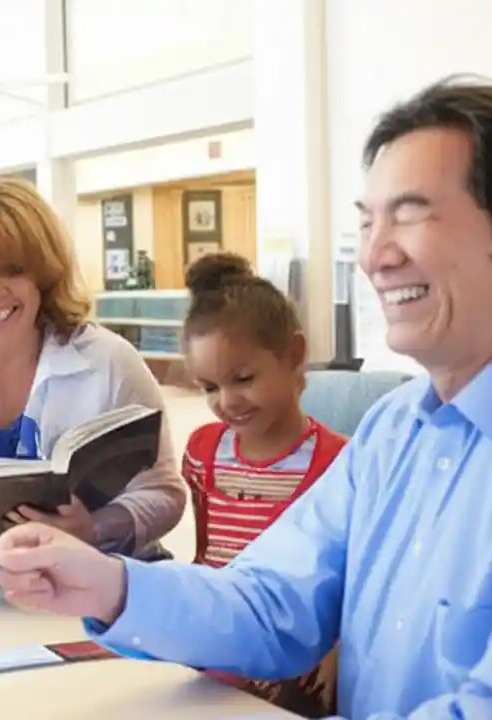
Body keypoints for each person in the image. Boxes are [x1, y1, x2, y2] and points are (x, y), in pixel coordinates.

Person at [0, 76, 492, 719]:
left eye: (410, 213)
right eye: (368, 221)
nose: (375, 255)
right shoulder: (394, 431)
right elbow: (270, 603)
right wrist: (111, 587)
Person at [0, 176, 184, 560]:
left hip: (102, 585)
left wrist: (93, 530)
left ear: (44, 275)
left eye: (12, 270)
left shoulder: (110, 361)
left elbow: (165, 492)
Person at [179, 252, 346, 717]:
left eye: (244, 379)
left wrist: (338, 647)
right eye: (209, 387)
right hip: (213, 651)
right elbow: (206, 555)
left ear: (294, 356)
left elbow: (353, 580)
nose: (227, 402)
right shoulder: (203, 452)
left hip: (297, 667)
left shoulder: (340, 462)